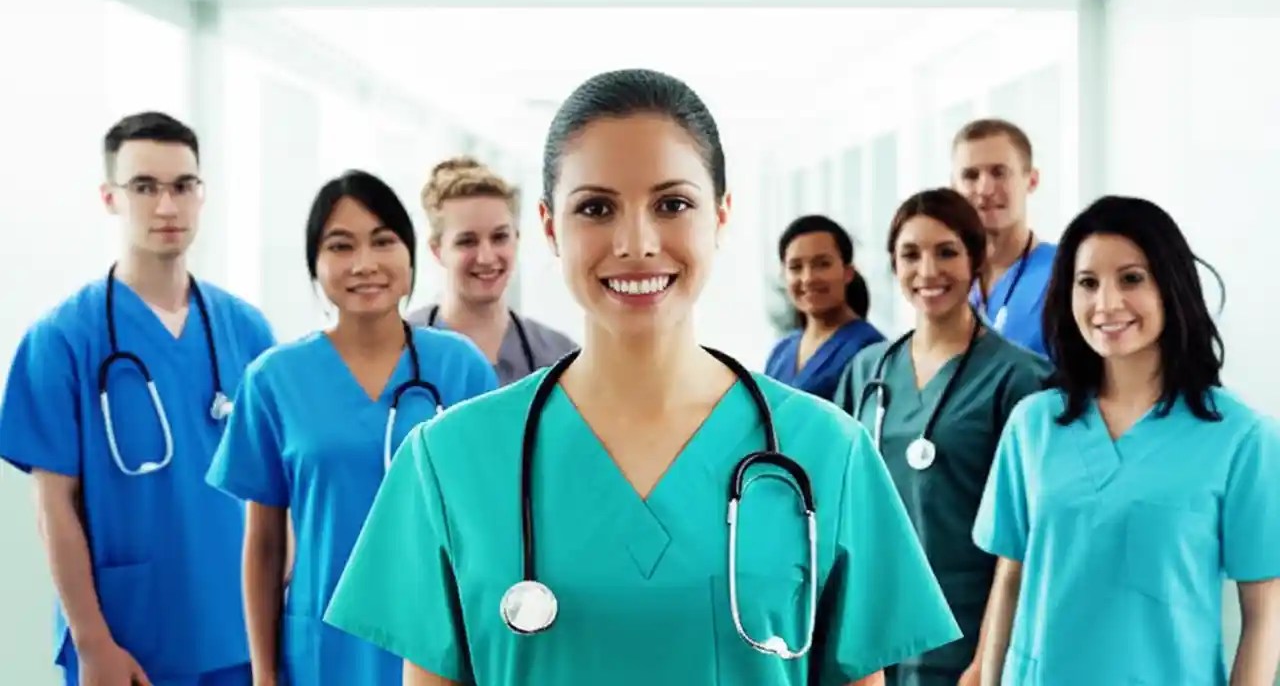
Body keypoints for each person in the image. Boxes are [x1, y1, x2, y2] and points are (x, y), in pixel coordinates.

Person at [320, 68, 962, 685]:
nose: (636, 242)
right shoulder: (448, 461)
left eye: (672, 203)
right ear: (549, 226)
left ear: (721, 216)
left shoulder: (828, 452)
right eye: (596, 208)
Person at [0, 112, 276, 685]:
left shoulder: (247, 331)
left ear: (202, 194)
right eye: (145, 187)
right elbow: (54, 505)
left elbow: (277, 487)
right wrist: (92, 642)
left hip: (240, 635)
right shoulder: (63, 339)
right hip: (128, 637)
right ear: (110, 198)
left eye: (183, 186)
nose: (167, 206)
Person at [204, 170, 498, 686]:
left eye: (383, 241)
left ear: (410, 255)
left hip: (437, 636)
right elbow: (265, 544)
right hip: (323, 644)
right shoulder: (274, 380)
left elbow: (490, 526)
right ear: (315, 265)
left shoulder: (461, 368)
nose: (365, 264)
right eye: (340, 246)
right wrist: (264, 674)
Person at [972, 196, 1280, 684]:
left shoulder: (1242, 439)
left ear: (1171, 286)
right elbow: (1010, 579)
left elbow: (1264, 611)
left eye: (1131, 279)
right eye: (1088, 283)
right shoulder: (1032, 425)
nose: (1106, 304)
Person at [832, 188, 1051, 686]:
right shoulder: (867, 372)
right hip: (874, 640)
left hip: (970, 643)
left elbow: (1033, 538)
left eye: (947, 252)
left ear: (976, 258)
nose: (927, 271)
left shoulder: (1019, 379)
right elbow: (838, 507)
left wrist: (988, 660)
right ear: (893, 264)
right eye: (911, 254)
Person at [406, 156, 577, 385]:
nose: (486, 257)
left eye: (499, 237)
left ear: (516, 239)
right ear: (437, 250)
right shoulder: (398, 350)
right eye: (467, 241)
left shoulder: (559, 357)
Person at [952, 118, 1057, 358]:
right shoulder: (949, 279)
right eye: (970, 175)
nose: (985, 189)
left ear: (1032, 180)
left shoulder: (1065, 272)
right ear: (954, 186)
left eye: (999, 172)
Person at [765, 214, 885, 402]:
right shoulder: (781, 352)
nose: (808, 278)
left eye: (822, 264)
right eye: (795, 267)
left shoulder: (870, 348)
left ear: (848, 272)